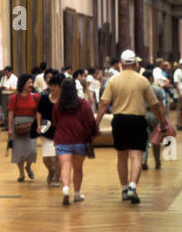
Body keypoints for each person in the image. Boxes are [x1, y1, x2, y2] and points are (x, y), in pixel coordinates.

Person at [96, 49, 165, 205]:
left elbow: (104, 103)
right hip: (137, 121)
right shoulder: (143, 81)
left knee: (121, 156)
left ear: (121, 64)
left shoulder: (113, 81)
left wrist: (96, 123)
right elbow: (154, 105)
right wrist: (162, 122)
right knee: (136, 155)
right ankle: (133, 186)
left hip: (119, 120)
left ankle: (124, 189)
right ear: (135, 64)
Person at [54, 73, 99, 206]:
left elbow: (55, 122)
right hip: (80, 140)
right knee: (78, 169)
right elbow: (91, 122)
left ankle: (66, 189)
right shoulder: (83, 104)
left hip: (62, 140)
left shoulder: (58, 105)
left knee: (65, 166)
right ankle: (77, 194)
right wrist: (93, 134)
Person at [6, 73, 39, 182]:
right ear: (23, 83)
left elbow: (38, 113)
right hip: (18, 124)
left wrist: (39, 125)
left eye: (31, 82)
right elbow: (10, 114)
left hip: (31, 124)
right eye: (29, 82)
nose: (31, 84)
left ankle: (28, 166)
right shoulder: (14, 98)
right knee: (18, 151)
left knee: (32, 150)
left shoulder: (35, 97)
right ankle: (21, 173)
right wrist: (10, 128)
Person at [38, 73, 61, 186]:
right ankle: (51, 170)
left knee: (58, 156)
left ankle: (57, 178)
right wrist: (38, 125)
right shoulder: (44, 98)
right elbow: (39, 112)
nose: (52, 88)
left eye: (55, 86)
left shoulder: (63, 101)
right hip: (46, 129)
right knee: (46, 157)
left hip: (60, 130)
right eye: (51, 86)